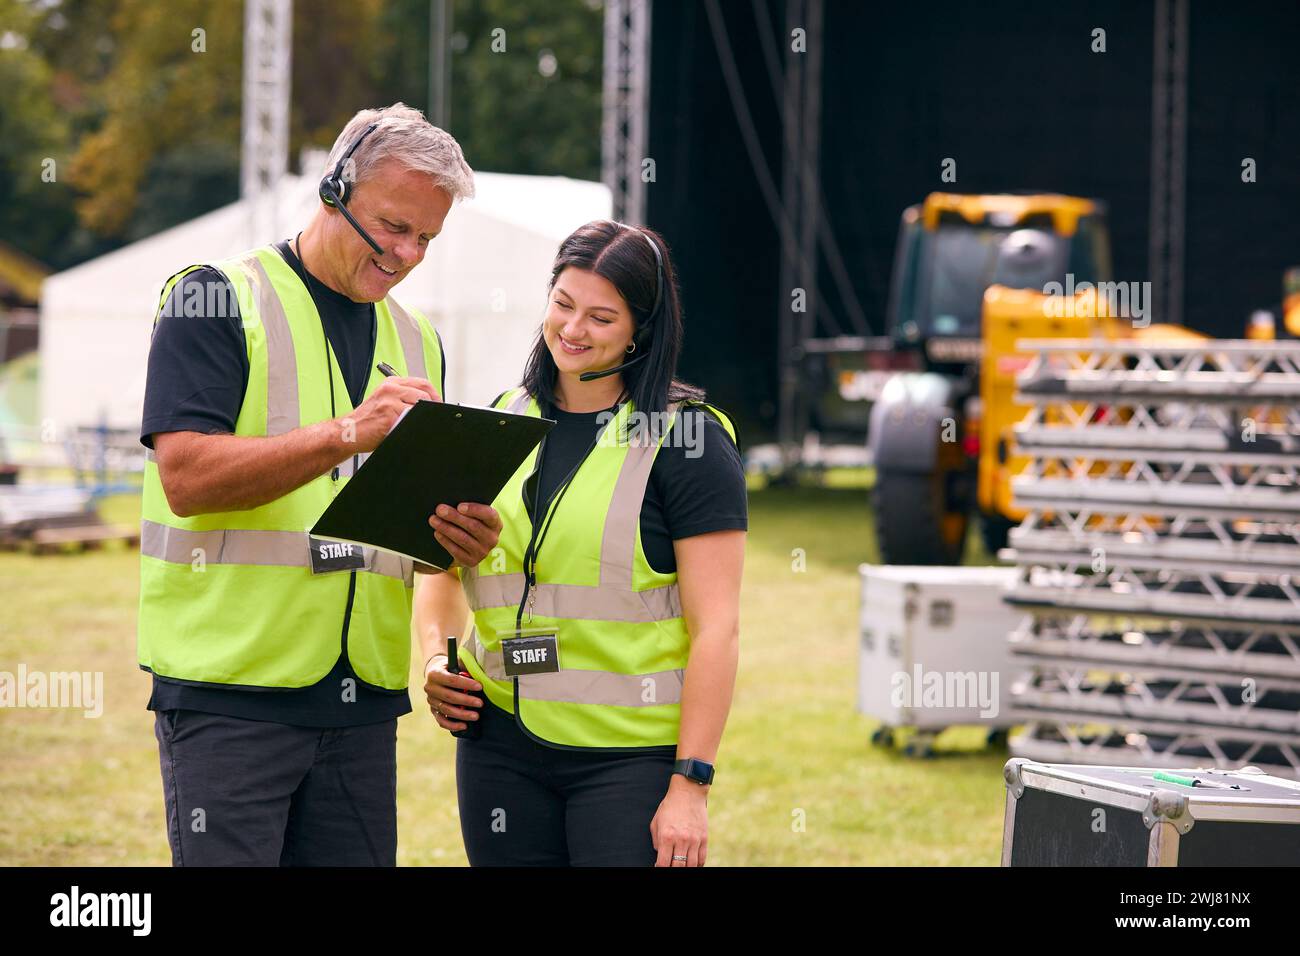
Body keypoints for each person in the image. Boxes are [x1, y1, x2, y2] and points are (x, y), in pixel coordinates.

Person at [138, 103, 502, 866]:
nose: (406, 253)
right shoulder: (213, 298)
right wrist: (349, 430)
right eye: (393, 226)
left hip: (361, 701)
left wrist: (455, 538)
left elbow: (409, 539)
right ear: (334, 189)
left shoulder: (417, 338)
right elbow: (186, 477)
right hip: (231, 694)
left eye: (426, 239)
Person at [414, 220, 747, 866]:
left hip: (628, 761)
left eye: (601, 317)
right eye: (563, 304)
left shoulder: (691, 444)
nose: (572, 329)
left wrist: (692, 782)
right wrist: (436, 660)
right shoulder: (499, 419)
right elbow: (443, 566)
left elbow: (719, 629)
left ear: (641, 331)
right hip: (499, 749)